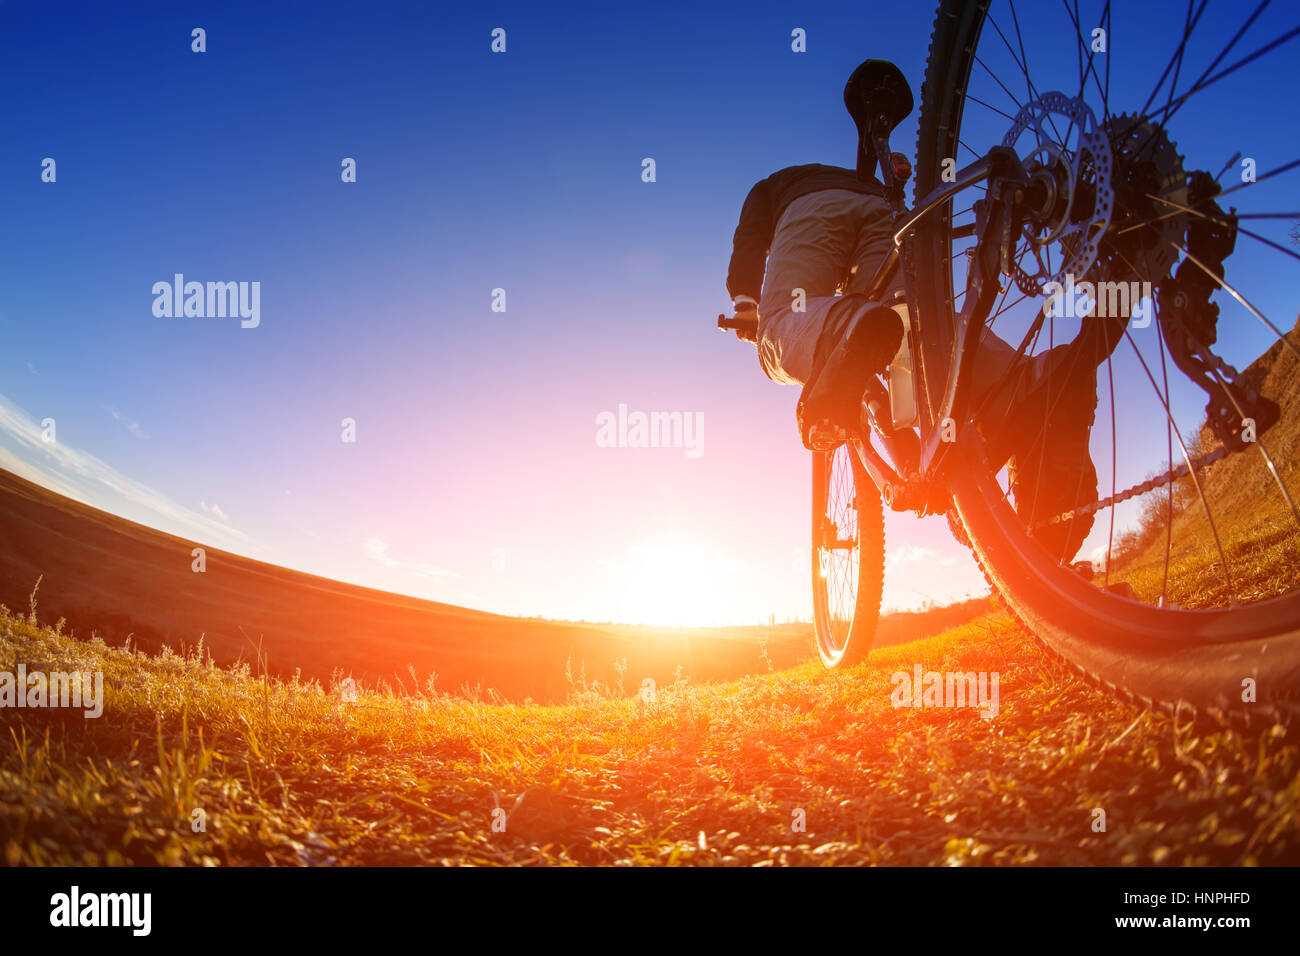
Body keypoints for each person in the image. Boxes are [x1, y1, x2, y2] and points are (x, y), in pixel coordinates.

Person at [723, 59, 1100, 561]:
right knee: (915, 330)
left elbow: (753, 228)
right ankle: (1028, 380)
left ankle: (844, 326)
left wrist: (745, 301)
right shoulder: (866, 181)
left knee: (785, 324)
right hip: (883, 210)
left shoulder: (781, 182)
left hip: (806, 207)